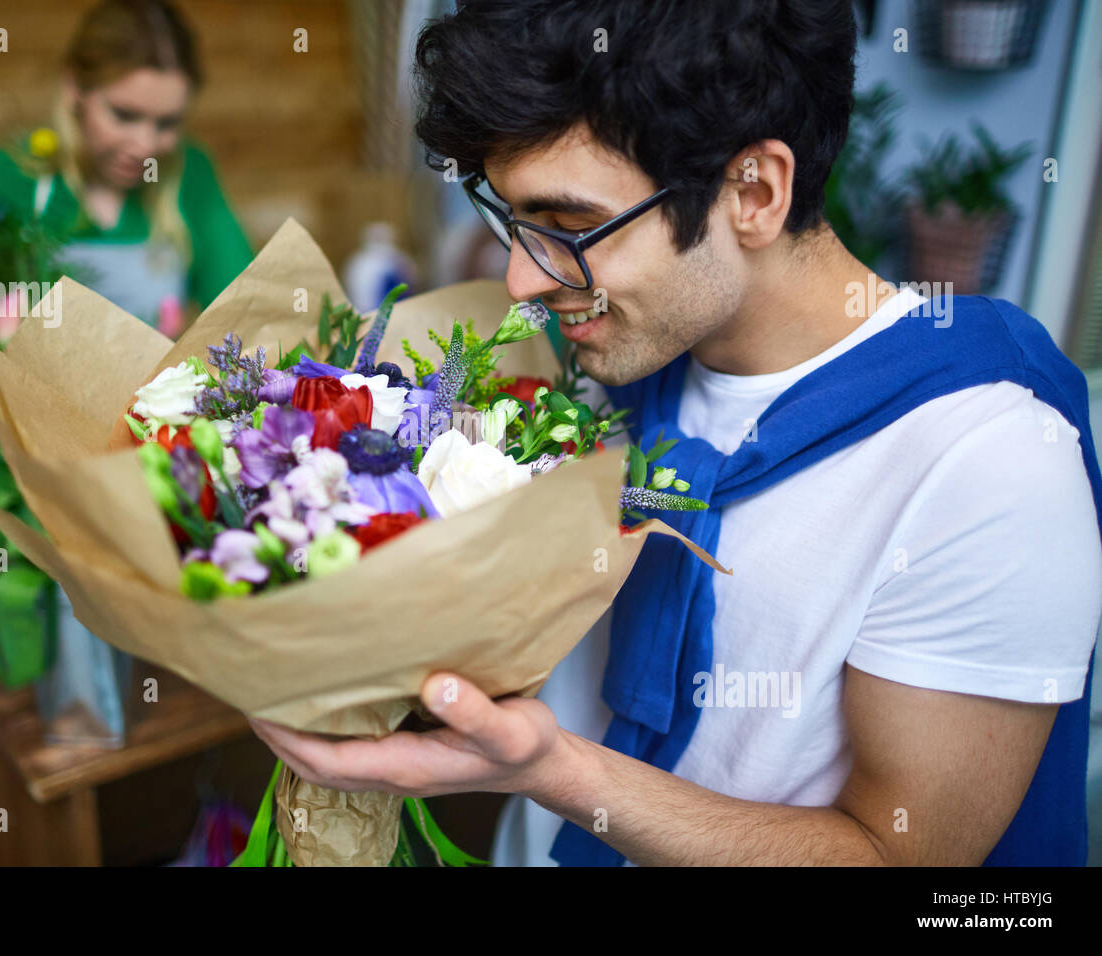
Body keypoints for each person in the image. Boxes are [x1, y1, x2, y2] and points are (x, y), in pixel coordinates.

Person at [247, 0, 1102, 866]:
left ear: (754, 193)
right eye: (509, 217)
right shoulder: (592, 360)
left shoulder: (988, 459)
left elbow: (896, 856)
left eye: (571, 227)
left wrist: (550, 769)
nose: (518, 281)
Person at [0, 0, 254, 329]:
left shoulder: (190, 173)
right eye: (124, 115)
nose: (145, 146)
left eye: (167, 123)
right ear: (75, 88)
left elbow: (244, 309)